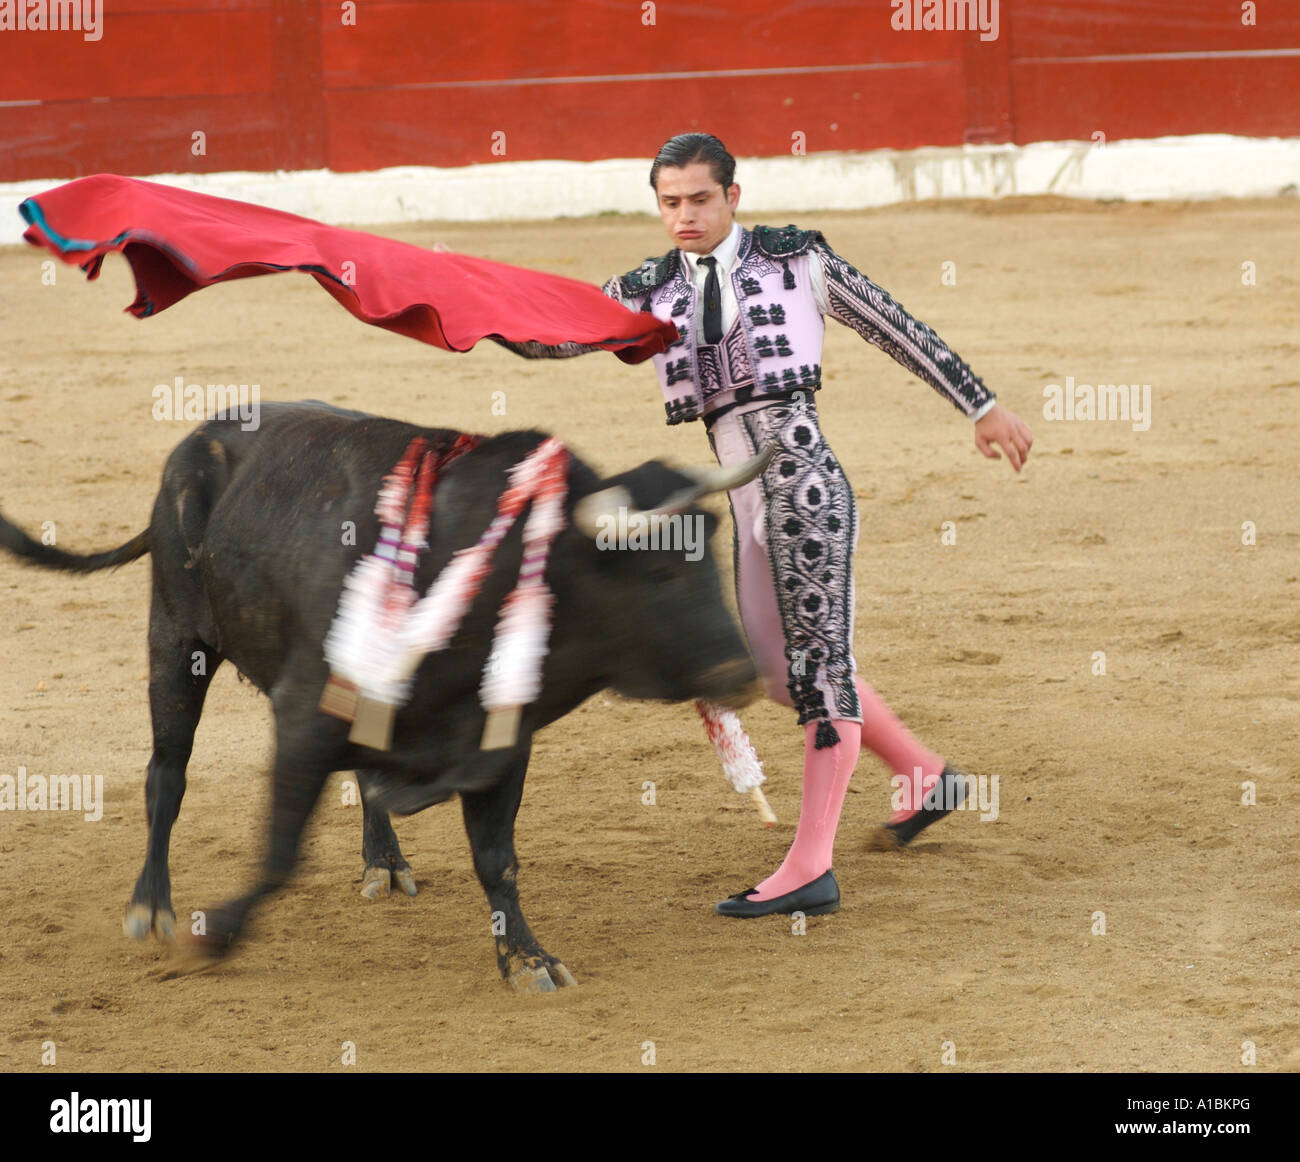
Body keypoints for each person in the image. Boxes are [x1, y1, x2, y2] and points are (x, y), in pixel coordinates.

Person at [503, 133, 1033, 917]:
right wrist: (462, 302)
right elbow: (556, 333)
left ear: (733, 196)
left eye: (700, 199)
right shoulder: (646, 289)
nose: (684, 216)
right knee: (777, 671)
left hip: (804, 482)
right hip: (735, 490)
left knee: (819, 671)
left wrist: (980, 405)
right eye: (669, 202)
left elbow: (896, 326)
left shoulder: (797, 261)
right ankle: (923, 773)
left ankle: (811, 866)